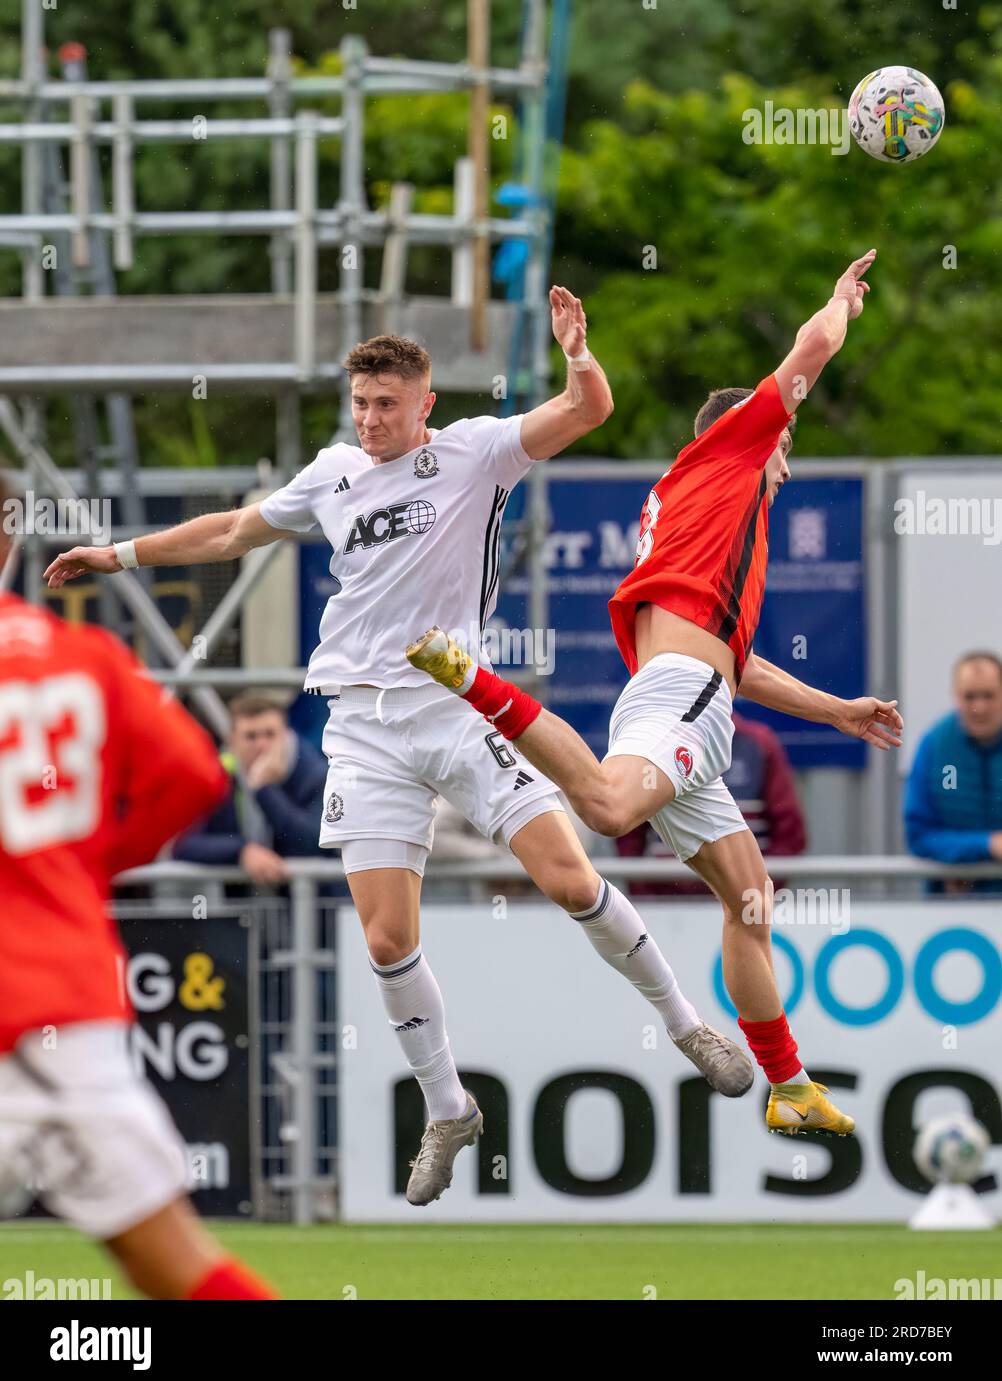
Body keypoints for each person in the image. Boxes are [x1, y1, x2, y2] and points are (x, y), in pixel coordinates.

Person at [44, 287, 752, 1211]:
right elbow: (229, 530)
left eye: (388, 404)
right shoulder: (334, 475)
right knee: (385, 937)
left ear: (426, 405)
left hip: (458, 706)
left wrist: (579, 354)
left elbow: (589, 412)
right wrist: (120, 554)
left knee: (571, 880)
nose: (371, 419)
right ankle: (447, 1106)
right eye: (362, 403)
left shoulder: (475, 453)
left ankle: (688, 1024)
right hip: (363, 725)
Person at [409, 250, 904, 1138]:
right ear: (756, 434)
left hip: (692, 695)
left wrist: (838, 709)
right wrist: (838, 304)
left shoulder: (696, 511)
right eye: (783, 443)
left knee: (751, 900)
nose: (785, 463)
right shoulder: (732, 456)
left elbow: (733, 663)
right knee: (604, 806)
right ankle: (471, 676)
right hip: (680, 699)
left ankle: (788, 1088)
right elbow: (809, 355)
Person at [0, 481, 276, 1299]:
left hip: (37, 1007)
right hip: (60, 1001)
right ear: (8, 544)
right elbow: (195, 774)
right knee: (178, 1267)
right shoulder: (83, 658)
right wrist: (91, 869)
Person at [616, 709, 807, 897]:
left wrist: (756, 892)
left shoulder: (759, 743)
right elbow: (630, 830)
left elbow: (789, 832)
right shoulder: (655, 747)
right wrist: (647, 893)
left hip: (742, 897)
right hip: (671, 899)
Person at [173, 690, 335, 889]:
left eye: (270, 734)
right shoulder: (219, 776)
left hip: (309, 905)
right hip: (244, 907)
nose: (262, 745)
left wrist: (264, 789)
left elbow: (314, 842)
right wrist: (242, 851)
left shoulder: (314, 774)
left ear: (287, 735)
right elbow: (183, 844)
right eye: (251, 736)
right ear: (232, 742)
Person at [905, 651, 1002, 895]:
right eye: (970, 696)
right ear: (955, 696)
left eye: (988, 695)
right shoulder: (935, 745)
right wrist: (987, 846)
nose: (979, 706)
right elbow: (919, 836)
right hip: (951, 913)